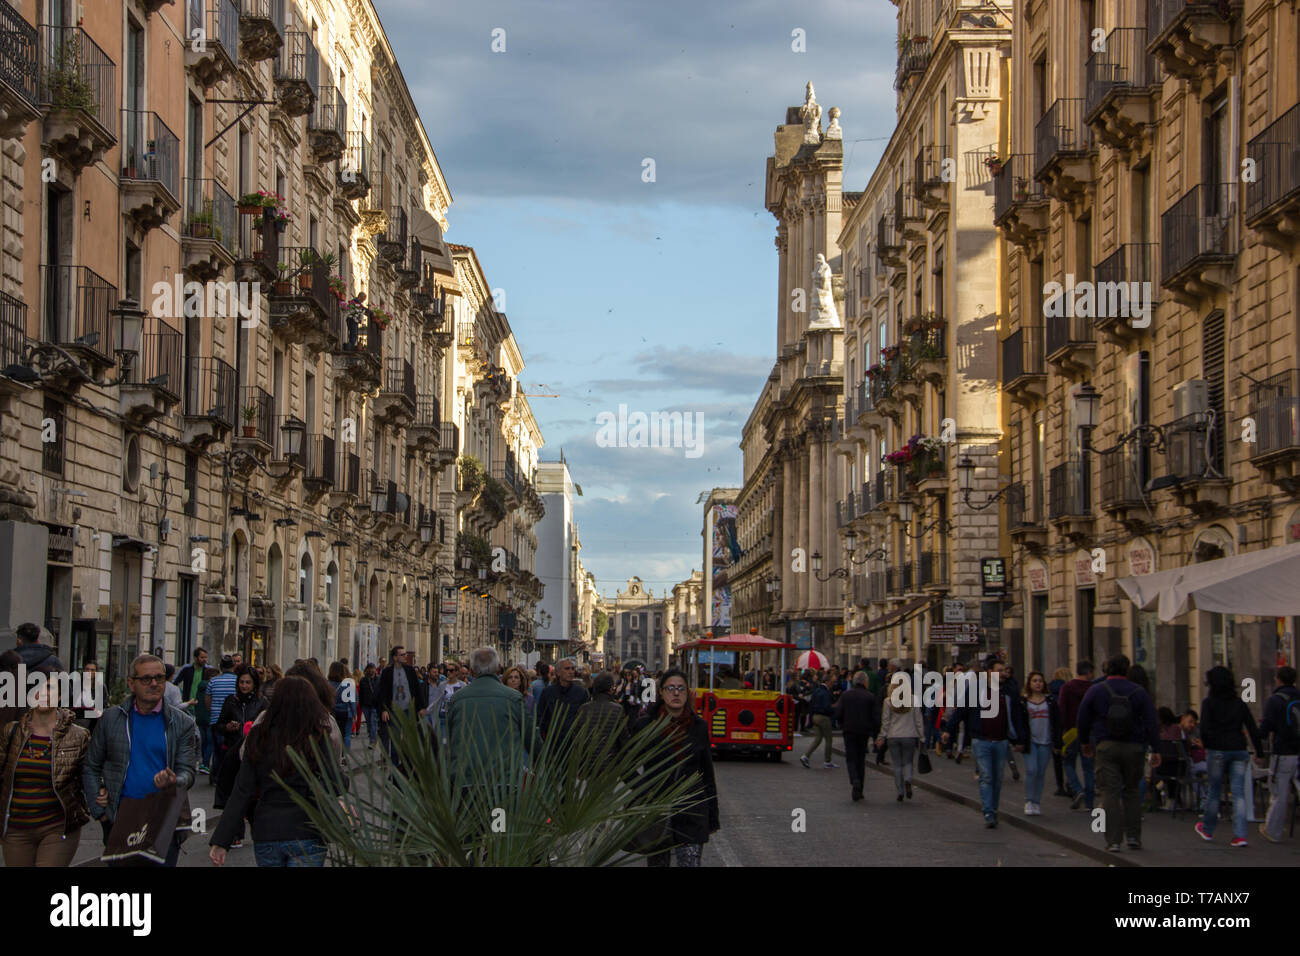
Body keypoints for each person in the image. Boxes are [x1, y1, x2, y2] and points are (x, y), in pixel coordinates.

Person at [209, 676, 345, 868]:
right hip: (307, 828)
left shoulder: (259, 735)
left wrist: (221, 840)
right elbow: (336, 780)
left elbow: (242, 790)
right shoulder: (317, 735)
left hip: (268, 829)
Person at [82, 654, 198, 867]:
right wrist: (100, 812)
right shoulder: (111, 719)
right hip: (120, 818)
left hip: (163, 819)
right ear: (131, 684)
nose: (154, 683)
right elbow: (91, 766)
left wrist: (174, 780)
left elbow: (188, 771)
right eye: (146, 679)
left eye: (160, 678)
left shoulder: (182, 723)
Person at [0, 674, 91, 866]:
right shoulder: (12, 731)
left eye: (49, 688)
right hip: (16, 828)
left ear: (59, 696)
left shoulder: (78, 735)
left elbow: (88, 776)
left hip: (57, 827)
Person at [633, 669, 719, 867]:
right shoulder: (646, 725)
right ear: (661, 693)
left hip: (691, 809)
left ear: (687, 693)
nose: (676, 693)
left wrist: (713, 816)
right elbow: (627, 766)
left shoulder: (699, 727)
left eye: (681, 688)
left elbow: (707, 772)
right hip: (657, 810)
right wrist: (642, 791)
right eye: (670, 688)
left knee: (690, 863)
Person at [1076, 654, 1161, 851]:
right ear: (1127, 669)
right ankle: (1133, 837)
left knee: (1109, 793)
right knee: (1131, 790)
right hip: (1134, 747)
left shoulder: (1096, 690)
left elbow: (1082, 717)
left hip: (1106, 746)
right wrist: (1156, 748)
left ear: (1107, 670)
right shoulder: (1138, 692)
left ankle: (1113, 841)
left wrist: (1084, 742)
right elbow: (1151, 722)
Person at [943, 664, 1027, 828]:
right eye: (1000, 670)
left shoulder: (1008, 691)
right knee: (987, 776)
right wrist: (948, 730)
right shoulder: (976, 690)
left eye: (1004, 671)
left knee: (997, 778)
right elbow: (962, 710)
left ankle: (993, 809)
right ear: (990, 672)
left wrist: (1020, 739)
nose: (1003, 674)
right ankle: (988, 811)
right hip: (981, 740)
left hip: (1001, 740)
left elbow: (1016, 716)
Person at [1193, 665, 1264, 847]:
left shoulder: (1208, 703)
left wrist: (1208, 745)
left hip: (1217, 750)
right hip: (1239, 750)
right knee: (1238, 792)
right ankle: (1240, 835)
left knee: (1214, 791)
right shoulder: (1239, 703)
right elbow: (1252, 728)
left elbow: (1205, 729)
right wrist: (1260, 752)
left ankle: (1207, 829)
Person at [446, 647, 530, 786]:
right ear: (498, 669)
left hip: (466, 781)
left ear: (471, 671)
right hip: (504, 782)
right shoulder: (514, 698)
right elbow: (530, 738)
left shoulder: (456, 699)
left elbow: (451, 738)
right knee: (501, 809)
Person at [214, 665, 266, 825]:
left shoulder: (262, 703)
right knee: (233, 794)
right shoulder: (231, 701)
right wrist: (227, 727)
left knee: (251, 794)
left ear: (254, 684)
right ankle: (236, 831)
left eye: (248, 683)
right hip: (232, 753)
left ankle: (253, 822)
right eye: (242, 682)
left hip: (252, 754)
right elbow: (218, 725)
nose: (244, 686)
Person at [1257, 665, 1299, 843]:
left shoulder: (1275, 700)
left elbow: (1266, 729)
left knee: (1279, 793)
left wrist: (1259, 731)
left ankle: (1272, 830)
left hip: (1284, 751)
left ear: (1279, 679)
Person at [375, 647, 428, 766]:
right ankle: (395, 768)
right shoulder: (387, 672)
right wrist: (384, 710)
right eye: (402, 654)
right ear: (395, 657)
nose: (405, 656)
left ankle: (408, 765)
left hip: (409, 710)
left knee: (410, 739)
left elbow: (416, 690)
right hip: (394, 711)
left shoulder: (410, 670)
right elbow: (383, 692)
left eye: (405, 654)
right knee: (395, 741)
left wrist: (421, 707)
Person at [878, 663, 924, 801]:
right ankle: (908, 779)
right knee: (908, 762)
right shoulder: (913, 699)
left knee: (897, 764)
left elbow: (885, 721)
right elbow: (918, 720)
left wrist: (882, 736)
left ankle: (900, 791)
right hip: (910, 735)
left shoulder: (888, 701)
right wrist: (922, 737)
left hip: (893, 736)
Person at [1020, 671, 1061, 816]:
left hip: (1046, 741)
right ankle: (1029, 800)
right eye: (1035, 681)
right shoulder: (1024, 701)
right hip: (1030, 742)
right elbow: (1020, 722)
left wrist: (1058, 742)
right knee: (1032, 770)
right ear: (1029, 684)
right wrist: (1019, 740)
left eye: (1040, 681)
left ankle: (1036, 802)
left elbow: (1056, 722)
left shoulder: (1050, 701)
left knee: (1041, 772)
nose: (1038, 683)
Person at [834, 671, 879, 802]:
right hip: (864, 732)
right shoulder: (870, 696)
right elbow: (875, 717)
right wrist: (875, 733)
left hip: (849, 731)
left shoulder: (846, 695)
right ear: (865, 682)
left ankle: (854, 780)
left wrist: (842, 723)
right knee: (861, 759)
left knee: (851, 758)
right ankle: (859, 789)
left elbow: (838, 713)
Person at [1058, 660, 1096, 810]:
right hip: (1090, 731)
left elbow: (1062, 710)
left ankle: (1077, 789)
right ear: (1088, 673)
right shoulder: (1094, 688)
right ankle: (1090, 802)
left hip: (1072, 731)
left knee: (1068, 762)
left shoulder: (1067, 687)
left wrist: (1063, 730)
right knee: (1088, 767)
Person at [574, 672, 629, 759]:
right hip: (611, 761)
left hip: (587, 763)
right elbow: (623, 739)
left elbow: (576, 737)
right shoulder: (617, 709)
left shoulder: (583, 709)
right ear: (611, 689)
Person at [536, 658, 589, 743]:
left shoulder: (581, 692)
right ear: (558, 673)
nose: (571, 671)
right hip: (552, 742)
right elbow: (541, 717)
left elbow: (586, 717)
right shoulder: (548, 693)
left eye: (572, 668)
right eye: (567, 668)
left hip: (573, 742)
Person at [205, 656, 238, 785]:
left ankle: (216, 775)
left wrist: (213, 712)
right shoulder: (237, 681)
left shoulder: (213, 681)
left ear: (221, 667)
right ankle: (227, 775)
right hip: (233, 721)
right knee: (230, 750)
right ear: (232, 666)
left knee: (218, 750)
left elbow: (207, 701)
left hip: (216, 720)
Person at [799, 672, 838, 770]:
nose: (833, 684)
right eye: (832, 682)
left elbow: (811, 704)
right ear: (828, 682)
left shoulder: (817, 690)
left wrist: (811, 718)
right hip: (823, 717)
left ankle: (805, 756)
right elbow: (826, 707)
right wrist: (833, 709)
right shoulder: (825, 692)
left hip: (815, 716)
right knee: (829, 739)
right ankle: (827, 761)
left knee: (818, 738)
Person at [1048, 666, 1072, 796]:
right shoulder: (1069, 689)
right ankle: (1071, 784)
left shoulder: (1049, 690)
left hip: (1054, 729)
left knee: (1057, 759)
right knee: (1069, 758)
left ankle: (1060, 786)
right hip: (1068, 729)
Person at [327, 662, 354, 752]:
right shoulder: (347, 684)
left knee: (334, 734)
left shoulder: (327, 684)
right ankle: (345, 755)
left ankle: (335, 753)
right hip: (345, 712)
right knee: (346, 734)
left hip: (333, 711)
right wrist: (354, 713)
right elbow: (351, 701)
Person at [359, 664, 380, 748]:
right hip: (366, 704)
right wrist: (361, 705)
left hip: (375, 705)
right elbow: (361, 693)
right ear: (367, 670)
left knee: (373, 723)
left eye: (373, 669)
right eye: (370, 669)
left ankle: (372, 741)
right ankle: (372, 735)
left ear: (375, 670)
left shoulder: (378, 679)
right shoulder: (363, 680)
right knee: (369, 723)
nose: (371, 671)